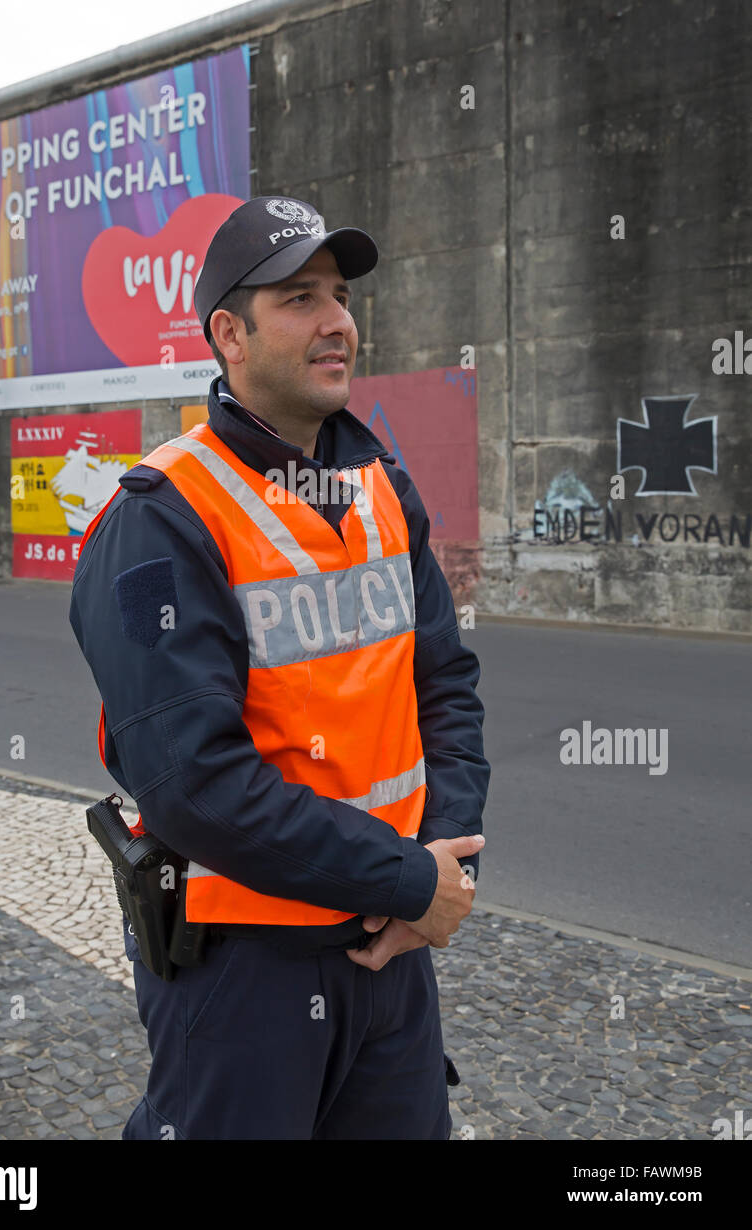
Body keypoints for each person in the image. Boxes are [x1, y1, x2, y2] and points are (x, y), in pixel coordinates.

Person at [69, 194, 490, 1140]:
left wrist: (445, 862)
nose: (338, 320)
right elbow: (194, 786)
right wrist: (407, 882)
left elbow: (445, 690)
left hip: (391, 954)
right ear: (230, 334)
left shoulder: (385, 489)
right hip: (245, 972)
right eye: (299, 297)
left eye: (339, 294)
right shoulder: (160, 519)